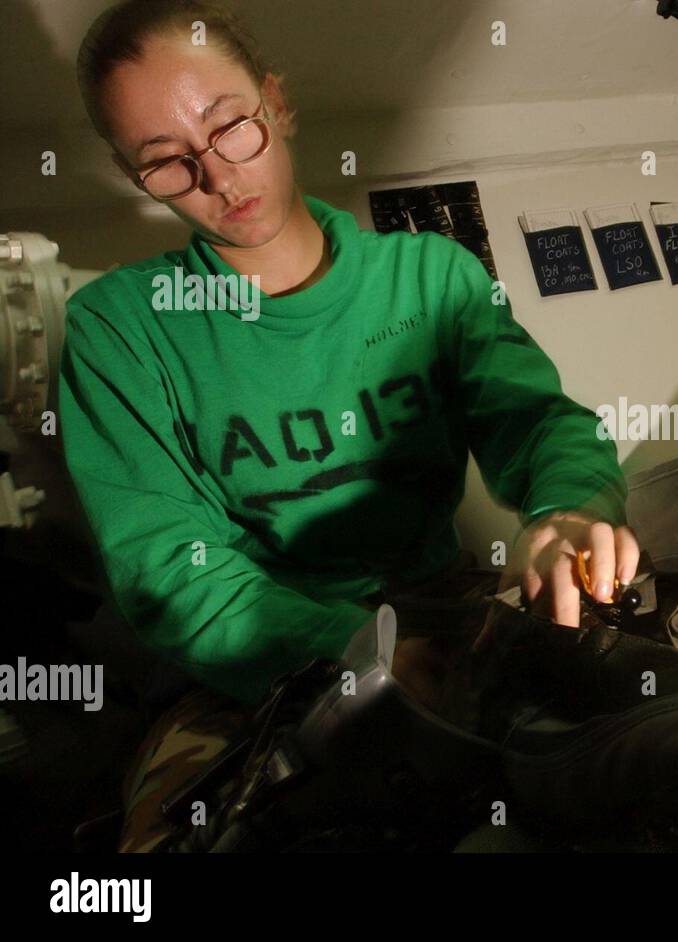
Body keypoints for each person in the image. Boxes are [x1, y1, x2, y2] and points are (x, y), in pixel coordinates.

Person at [62, 0, 639, 850]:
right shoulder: (118, 327)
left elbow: (538, 423)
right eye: (168, 164)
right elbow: (168, 571)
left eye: (231, 128)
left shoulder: (430, 277)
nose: (219, 180)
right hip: (252, 677)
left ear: (277, 103)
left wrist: (570, 511)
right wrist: (351, 647)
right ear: (127, 170)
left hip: (448, 623)